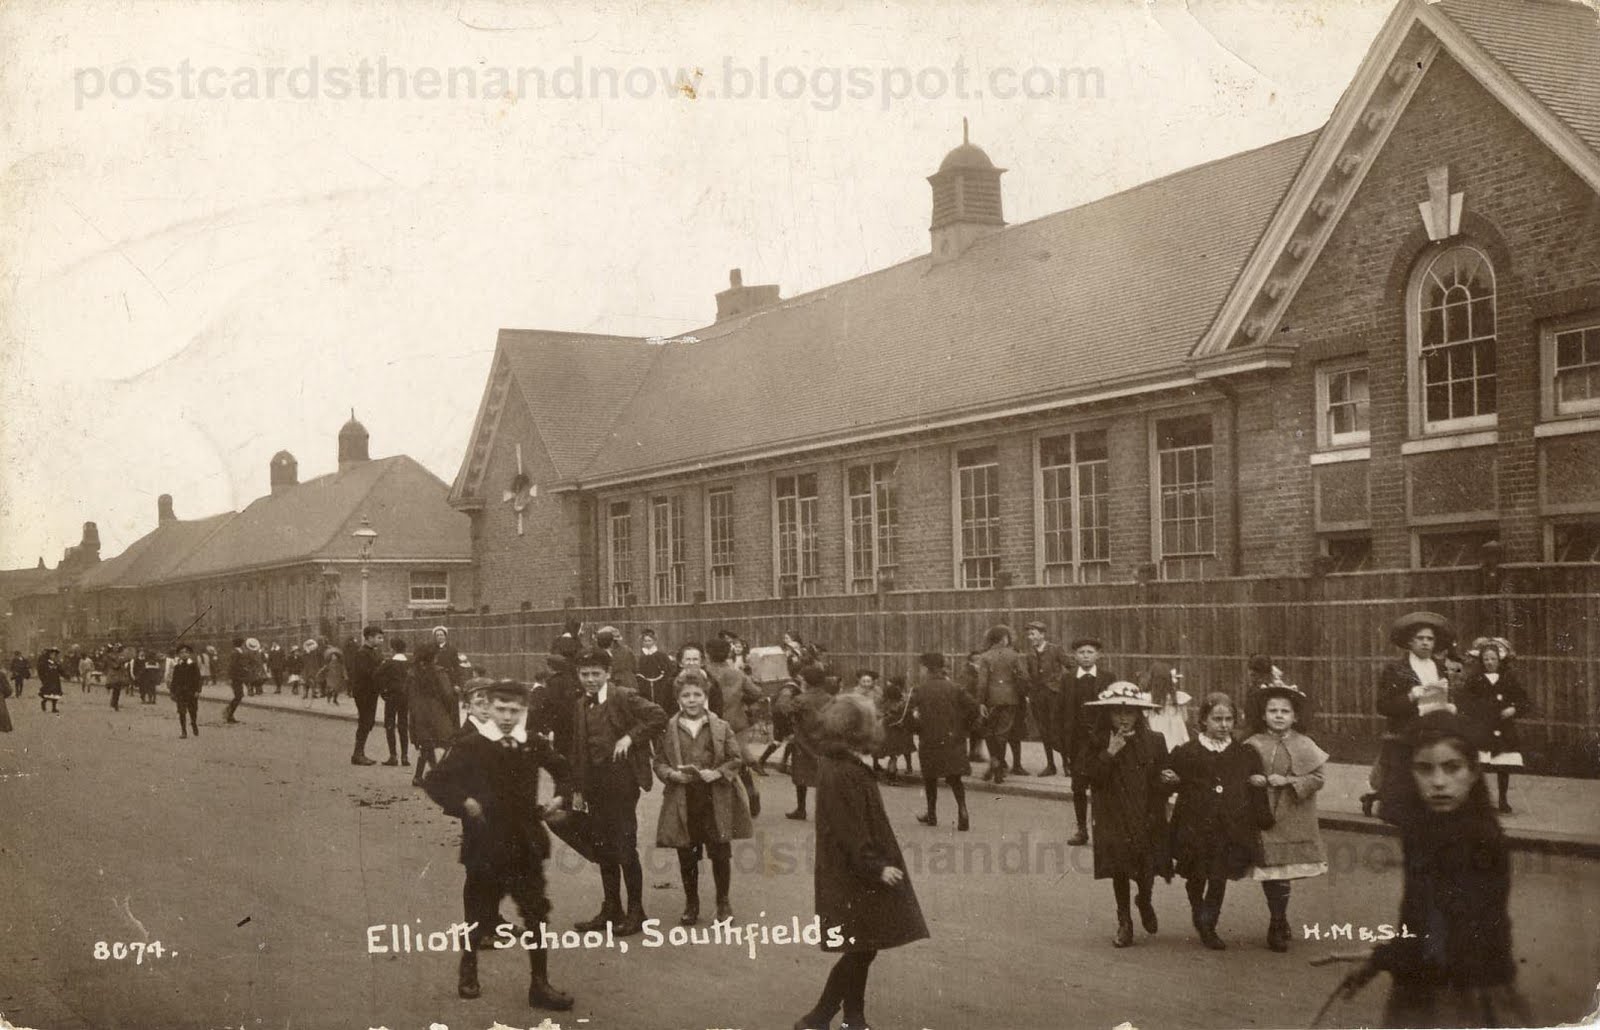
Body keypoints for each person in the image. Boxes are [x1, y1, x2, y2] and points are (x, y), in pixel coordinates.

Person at [1341, 712, 1530, 1028]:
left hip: (1462, 990)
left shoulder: (1480, 838)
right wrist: (1379, 962)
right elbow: (1419, 915)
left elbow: (1456, 933)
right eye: (1424, 769)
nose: (1438, 781)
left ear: (1472, 772)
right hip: (1424, 980)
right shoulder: (1423, 830)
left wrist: (1385, 958)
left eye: (1452, 767)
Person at [421, 679, 574, 1011]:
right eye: (501, 709)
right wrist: (465, 802)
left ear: (524, 711)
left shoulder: (532, 743)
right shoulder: (472, 744)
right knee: (478, 913)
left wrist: (560, 796)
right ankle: (469, 966)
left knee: (536, 913)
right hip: (485, 844)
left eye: (514, 710)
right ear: (488, 708)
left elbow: (566, 770)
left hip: (526, 843)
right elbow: (435, 781)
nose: (507, 716)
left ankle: (539, 984)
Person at [794, 693, 928, 1030]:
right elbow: (850, 828)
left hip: (850, 871)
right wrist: (877, 867)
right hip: (854, 873)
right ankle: (819, 1018)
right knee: (861, 947)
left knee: (863, 945)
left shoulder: (843, 765)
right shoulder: (843, 772)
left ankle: (853, 1018)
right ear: (857, 730)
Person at [556, 647, 667, 937]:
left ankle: (636, 912)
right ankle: (611, 908)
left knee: (624, 846)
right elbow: (578, 749)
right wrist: (577, 789)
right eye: (585, 674)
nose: (590, 679)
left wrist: (629, 737)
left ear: (607, 673)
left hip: (621, 783)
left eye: (596, 674)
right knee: (603, 848)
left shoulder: (623, 696)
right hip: (594, 786)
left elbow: (658, 716)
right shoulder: (581, 704)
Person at [1165, 692, 1266, 950]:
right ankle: (1197, 906)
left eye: (1229, 719)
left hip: (1227, 828)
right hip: (1195, 826)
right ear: (1203, 721)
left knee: (1219, 876)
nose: (1224, 725)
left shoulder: (1243, 753)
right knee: (1197, 875)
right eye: (1217, 719)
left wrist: (1257, 786)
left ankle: (1209, 924)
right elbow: (1167, 779)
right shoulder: (1187, 752)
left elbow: (1254, 783)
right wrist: (1169, 779)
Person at [653, 669, 753, 926]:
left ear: (706, 697)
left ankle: (723, 902)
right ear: (678, 699)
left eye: (697, 694)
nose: (692, 700)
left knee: (720, 851)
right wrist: (671, 775)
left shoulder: (720, 726)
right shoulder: (670, 727)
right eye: (686, 695)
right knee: (686, 853)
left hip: (714, 798)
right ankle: (691, 902)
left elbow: (736, 759)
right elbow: (660, 762)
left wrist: (717, 773)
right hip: (684, 799)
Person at [1082, 681, 1172, 948]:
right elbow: (1089, 778)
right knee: (1120, 868)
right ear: (1107, 714)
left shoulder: (1155, 741)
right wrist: (1110, 752)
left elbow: (1163, 778)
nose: (1123, 717)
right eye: (1117, 712)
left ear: (1139, 714)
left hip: (1146, 814)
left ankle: (1143, 900)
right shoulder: (1096, 741)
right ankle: (1124, 920)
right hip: (1113, 814)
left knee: (1146, 868)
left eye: (1130, 712)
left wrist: (1169, 779)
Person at [1243, 679, 1328, 952]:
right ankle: (1277, 919)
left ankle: (1278, 920)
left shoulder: (1305, 744)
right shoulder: (1252, 743)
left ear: (1295, 716)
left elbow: (1317, 778)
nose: (1278, 716)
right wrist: (1253, 779)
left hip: (1293, 814)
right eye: (1273, 711)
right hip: (1263, 813)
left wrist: (1291, 781)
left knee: (1283, 872)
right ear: (1263, 715)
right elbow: (1238, 774)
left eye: (1285, 711)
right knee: (1270, 871)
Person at [1363, 611, 1456, 822]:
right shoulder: (1396, 669)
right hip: (1405, 732)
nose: (1425, 643)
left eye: (1430, 639)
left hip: (1435, 732)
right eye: (1420, 638)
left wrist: (1449, 707)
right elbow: (1383, 706)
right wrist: (1411, 695)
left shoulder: (1440, 668)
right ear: (1410, 642)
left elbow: (1447, 696)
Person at [1461, 637, 1528, 815]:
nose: (1490, 663)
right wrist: (1478, 713)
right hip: (1482, 729)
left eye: (1493, 659)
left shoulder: (1508, 679)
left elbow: (1524, 701)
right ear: (1481, 662)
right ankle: (1478, 801)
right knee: (1479, 766)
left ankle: (1503, 800)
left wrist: (1513, 709)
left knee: (1503, 766)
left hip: (1503, 729)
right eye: (1486, 659)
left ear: (1499, 660)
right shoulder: (1475, 680)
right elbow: (1465, 702)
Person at [910, 652, 977, 831]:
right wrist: (963, 727)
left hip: (929, 739)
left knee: (930, 778)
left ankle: (931, 814)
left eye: (921, 667)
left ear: (926, 668)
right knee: (955, 779)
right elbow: (973, 708)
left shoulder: (919, 690)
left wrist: (917, 727)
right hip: (953, 739)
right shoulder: (955, 688)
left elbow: (907, 714)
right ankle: (963, 811)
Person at [1064, 636, 1115, 846]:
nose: (1085, 656)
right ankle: (1081, 829)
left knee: (1101, 787)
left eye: (1090, 652)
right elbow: (1059, 712)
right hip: (1077, 744)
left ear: (1098, 655)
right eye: (1081, 652)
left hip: (1101, 742)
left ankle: (1101, 830)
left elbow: (1114, 708)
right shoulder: (1067, 679)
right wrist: (1063, 743)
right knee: (1078, 787)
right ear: (1075, 656)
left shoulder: (1108, 678)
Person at [706, 637, 763, 812]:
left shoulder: (704, 673)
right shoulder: (737, 674)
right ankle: (751, 792)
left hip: (711, 723)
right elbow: (756, 693)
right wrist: (741, 698)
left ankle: (721, 804)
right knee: (736, 761)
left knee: (713, 763)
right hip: (736, 723)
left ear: (707, 654)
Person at [975, 624, 1028, 783]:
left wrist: (981, 702)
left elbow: (982, 683)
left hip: (991, 699)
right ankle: (997, 767)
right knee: (1002, 733)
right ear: (1004, 639)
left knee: (990, 732)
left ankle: (994, 764)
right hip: (1010, 699)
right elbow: (1024, 677)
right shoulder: (1014, 655)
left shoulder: (985, 657)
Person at [786, 663, 836, 821]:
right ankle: (826, 811)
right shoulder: (830, 698)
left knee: (801, 777)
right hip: (824, 742)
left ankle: (801, 809)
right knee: (824, 777)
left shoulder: (800, 699)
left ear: (806, 681)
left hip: (803, 742)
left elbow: (787, 711)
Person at [1022, 622, 1070, 777]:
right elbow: (1028, 675)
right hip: (1038, 697)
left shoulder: (1055, 649)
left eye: (1033, 634)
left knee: (1058, 730)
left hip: (1054, 695)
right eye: (1029, 634)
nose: (1030, 637)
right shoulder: (1029, 654)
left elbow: (1071, 666)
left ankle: (1066, 764)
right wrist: (1029, 693)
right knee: (1044, 731)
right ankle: (1051, 765)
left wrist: (1062, 685)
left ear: (1042, 634)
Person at [409, 643, 459, 786]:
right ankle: (439, 775)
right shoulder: (439, 672)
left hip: (417, 712)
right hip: (436, 711)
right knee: (445, 741)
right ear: (434, 657)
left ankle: (419, 776)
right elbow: (448, 694)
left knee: (425, 744)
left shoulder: (413, 672)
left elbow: (408, 693)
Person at [349, 625, 387, 765]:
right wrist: (382, 668)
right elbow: (367, 673)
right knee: (365, 721)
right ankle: (357, 754)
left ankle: (360, 753)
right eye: (379, 637)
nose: (381, 640)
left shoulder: (373, 652)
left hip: (371, 692)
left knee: (368, 721)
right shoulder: (362, 653)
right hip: (364, 692)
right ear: (369, 638)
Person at [1142, 661, 1191, 751]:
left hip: (1158, 734)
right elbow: (1185, 718)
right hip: (1178, 736)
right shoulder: (1178, 698)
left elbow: (1144, 718)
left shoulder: (1147, 699)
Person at [379, 637, 413, 767]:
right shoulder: (409, 663)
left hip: (392, 697)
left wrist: (383, 690)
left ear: (392, 649)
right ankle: (405, 756)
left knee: (389, 725)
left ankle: (393, 756)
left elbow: (377, 675)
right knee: (403, 725)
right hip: (405, 698)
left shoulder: (388, 663)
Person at [878, 676, 915, 781]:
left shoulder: (884, 705)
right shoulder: (902, 706)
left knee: (893, 756)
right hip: (900, 734)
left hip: (888, 735)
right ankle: (892, 775)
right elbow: (908, 718)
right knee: (897, 755)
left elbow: (882, 716)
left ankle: (891, 775)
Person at [635, 628, 676, 708]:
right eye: (645, 641)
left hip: (660, 685)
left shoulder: (661, 655)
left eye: (649, 640)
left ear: (654, 641)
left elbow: (669, 670)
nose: (647, 643)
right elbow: (638, 671)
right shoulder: (641, 657)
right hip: (645, 685)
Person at [170, 643, 202, 738]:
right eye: (181, 652)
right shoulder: (177, 667)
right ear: (178, 655)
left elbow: (198, 679)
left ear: (189, 654)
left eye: (186, 652)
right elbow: (174, 680)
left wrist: (198, 690)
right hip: (180, 693)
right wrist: (172, 692)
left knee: (193, 710)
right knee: (181, 712)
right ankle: (184, 731)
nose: (184, 654)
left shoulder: (193, 665)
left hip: (191, 692)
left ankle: (193, 723)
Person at [223, 638, 248, 723]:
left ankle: (229, 713)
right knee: (239, 696)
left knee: (239, 695)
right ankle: (228, 714)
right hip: (236, 677)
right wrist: (230, 677)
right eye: (243, 643)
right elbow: (232, 666)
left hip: (237, 677)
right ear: (241, 644)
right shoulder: (236, 653)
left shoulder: (237, 652)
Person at [37, 647, 64, 714]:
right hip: (48, 680)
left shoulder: (56, 663)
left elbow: (60, 670)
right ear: (49, 654)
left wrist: (66, 675)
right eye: (52, 654)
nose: (53, 656)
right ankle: (44, 702)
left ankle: (54, 708)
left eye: (55, 654)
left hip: (56, 680)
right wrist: (43, 679)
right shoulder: (45, 662)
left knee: (56, 694)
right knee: (48, 693)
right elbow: (41, 671)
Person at [106, 643, 132, 712]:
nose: (116, 649)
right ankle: (114, 703)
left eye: (117, 648)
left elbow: (124, 661)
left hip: (120, 674)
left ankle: (114, 703)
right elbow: (113, 665)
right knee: (115, 689)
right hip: (113, 674)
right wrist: (119, 663)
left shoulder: (121, 655)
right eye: (115, 647)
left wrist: (123, 661)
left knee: (117, 690)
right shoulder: (110, 655)